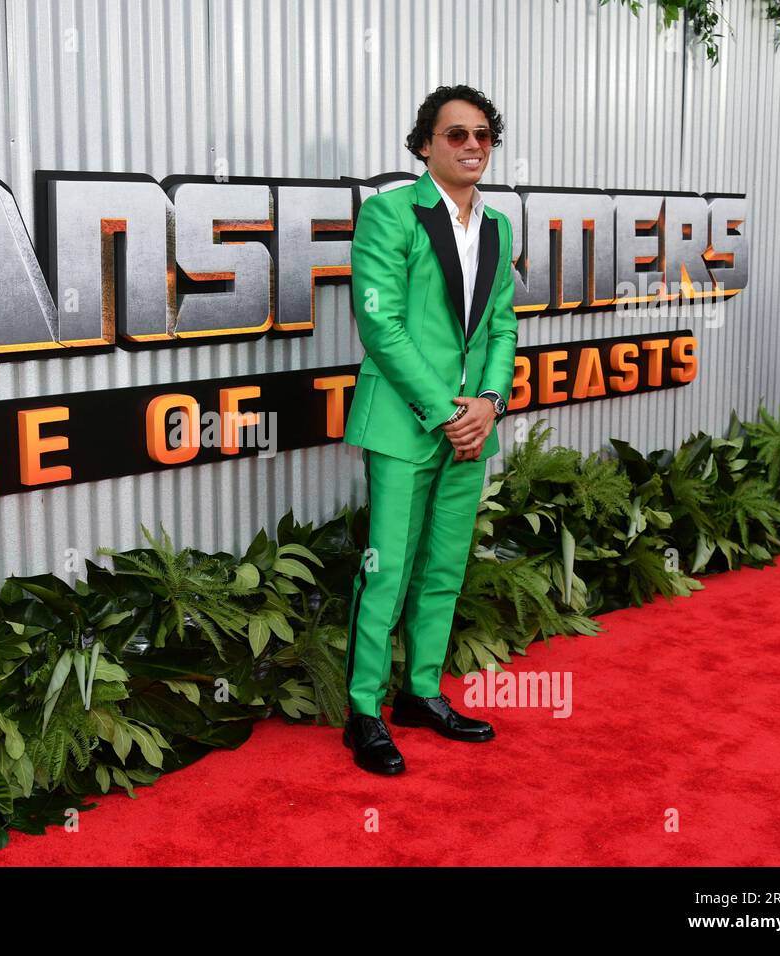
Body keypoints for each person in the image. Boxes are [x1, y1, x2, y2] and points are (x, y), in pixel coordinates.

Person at [341, 84, 518, 775]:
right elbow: (379, 323)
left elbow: (502, 324)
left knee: (443, 569)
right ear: (425, 145)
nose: (473, 146)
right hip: (405, 424)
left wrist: (490, 402)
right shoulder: (391, 215)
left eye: (483, 135)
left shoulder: (497, 227)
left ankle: (420, 694)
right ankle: (363, 713)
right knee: (385, 569)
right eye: (456, 135)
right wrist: (446, 411)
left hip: (472, 429)